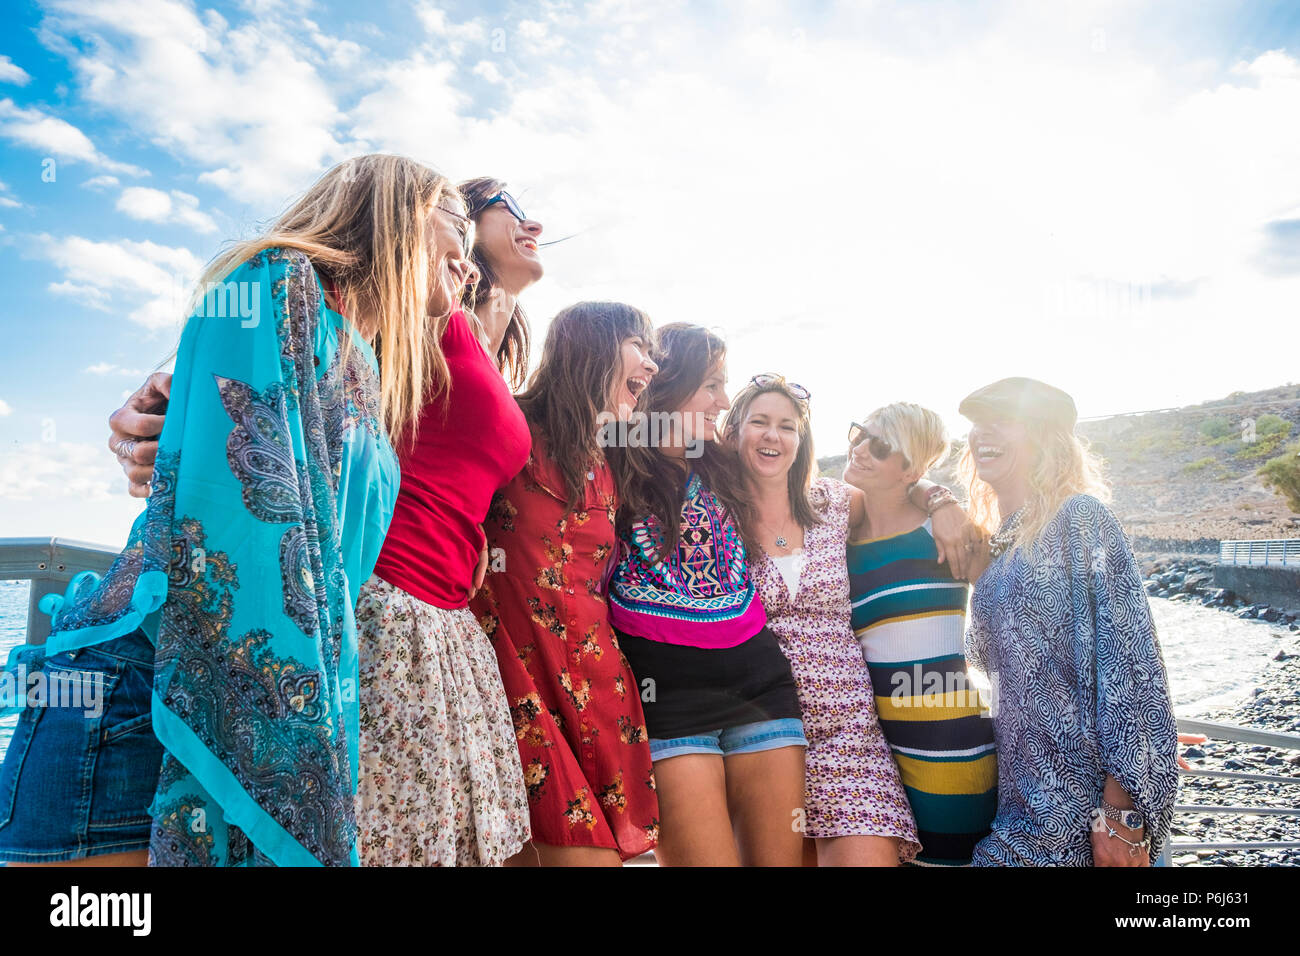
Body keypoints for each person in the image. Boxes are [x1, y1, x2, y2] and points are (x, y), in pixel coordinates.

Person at [0, 153, 465, 866]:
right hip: (132, 701)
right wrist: (303, 778)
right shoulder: (277, 281)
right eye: (455, 220)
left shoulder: (362, 361)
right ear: (398, 211)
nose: (467, 259)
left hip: (200, 704)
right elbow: (234, 535)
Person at [608, 324, 807, 866]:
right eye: (712, 386)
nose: (724, 402)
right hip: (665, 695)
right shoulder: (611, 456)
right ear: (669, 385)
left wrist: (936, 497)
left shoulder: (727, 462)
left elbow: (818, 489)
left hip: (760, 684)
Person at [958, 377, 1179, 867]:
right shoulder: (1000, 547)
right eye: (977, 423)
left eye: (1001, 419)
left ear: (1043, 436)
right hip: (1025, 819)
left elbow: (1130, 663)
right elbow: (1002, 674)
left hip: (1092, 825)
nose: (981, 433)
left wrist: (1123, 819)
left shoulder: (1079, 518)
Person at [471, 302, 661, 866]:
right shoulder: (510, 424)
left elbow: (724, 458)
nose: (650, 367)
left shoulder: (619, 456)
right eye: (638, 346)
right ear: (591, 347)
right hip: (514, 680)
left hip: (599, 688)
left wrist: (935, 496)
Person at [725, 377, 920, 866]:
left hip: (849, 737)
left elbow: (901, 494)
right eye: (760, 423)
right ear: (734, 433)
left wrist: (944, 500)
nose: (774, 436)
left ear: (801, 441)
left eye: (787, 427)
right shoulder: (714, 516)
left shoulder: (834, 503)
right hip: (760, 739)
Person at [842, 403, 998, 865]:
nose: (861, 450)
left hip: (948, 746)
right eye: (859, 434)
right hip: (869, 750)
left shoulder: (947, 534)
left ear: (911, 469)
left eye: (882, 446)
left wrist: (1120, 734)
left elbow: (1026, 636)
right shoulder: (838, 538)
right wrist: (938, 494)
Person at [457, 178, 543, 388]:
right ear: (463, 224)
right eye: (509, 208)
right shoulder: (438, 328)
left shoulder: (499, 372)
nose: (536, 227)